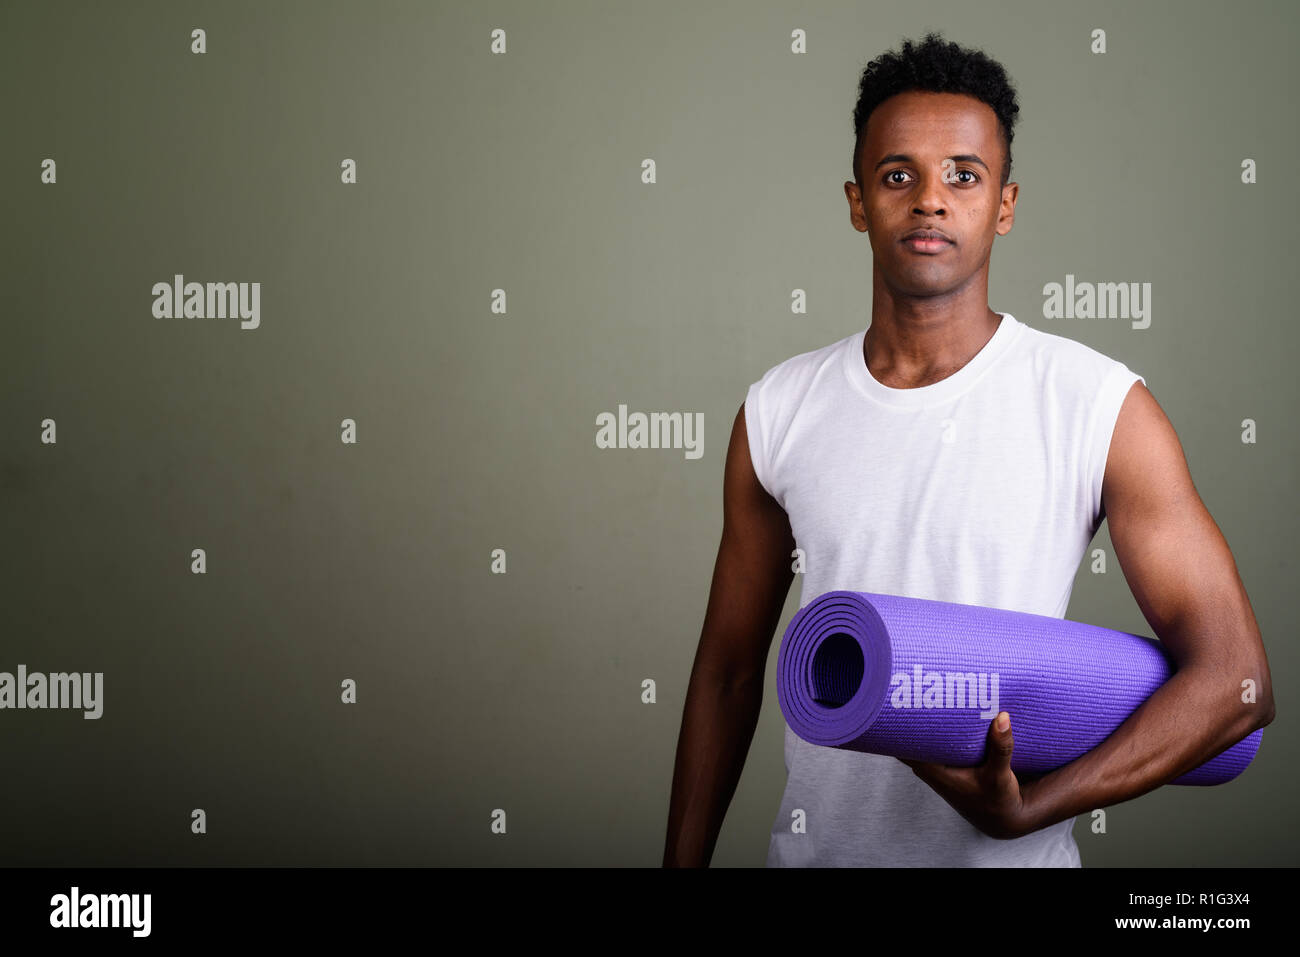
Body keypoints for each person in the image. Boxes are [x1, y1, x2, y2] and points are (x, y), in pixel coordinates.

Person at [662, 32, 1274, 867]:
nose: (929, 199)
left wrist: (1035, 809)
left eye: (963, 174)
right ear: (856, 201)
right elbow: (728, 675)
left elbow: (1238, 680)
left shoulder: (1097, 406)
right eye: (897, 174)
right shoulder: (778, 411)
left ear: (1005, 204)